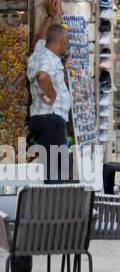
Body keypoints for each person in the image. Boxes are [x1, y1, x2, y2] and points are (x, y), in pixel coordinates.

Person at [28, 23, 73, 181]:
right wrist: (52, 94)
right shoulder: (48, 58)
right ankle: (54, 204)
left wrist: (49, 16)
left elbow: (40, 38)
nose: (66, 45)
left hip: (42, 117)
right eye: (65, 41)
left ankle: (49, 201)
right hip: (50, 118)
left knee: (51, 167)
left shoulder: (39, 53)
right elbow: (42, 76)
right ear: (60, 40)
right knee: (56, 171)